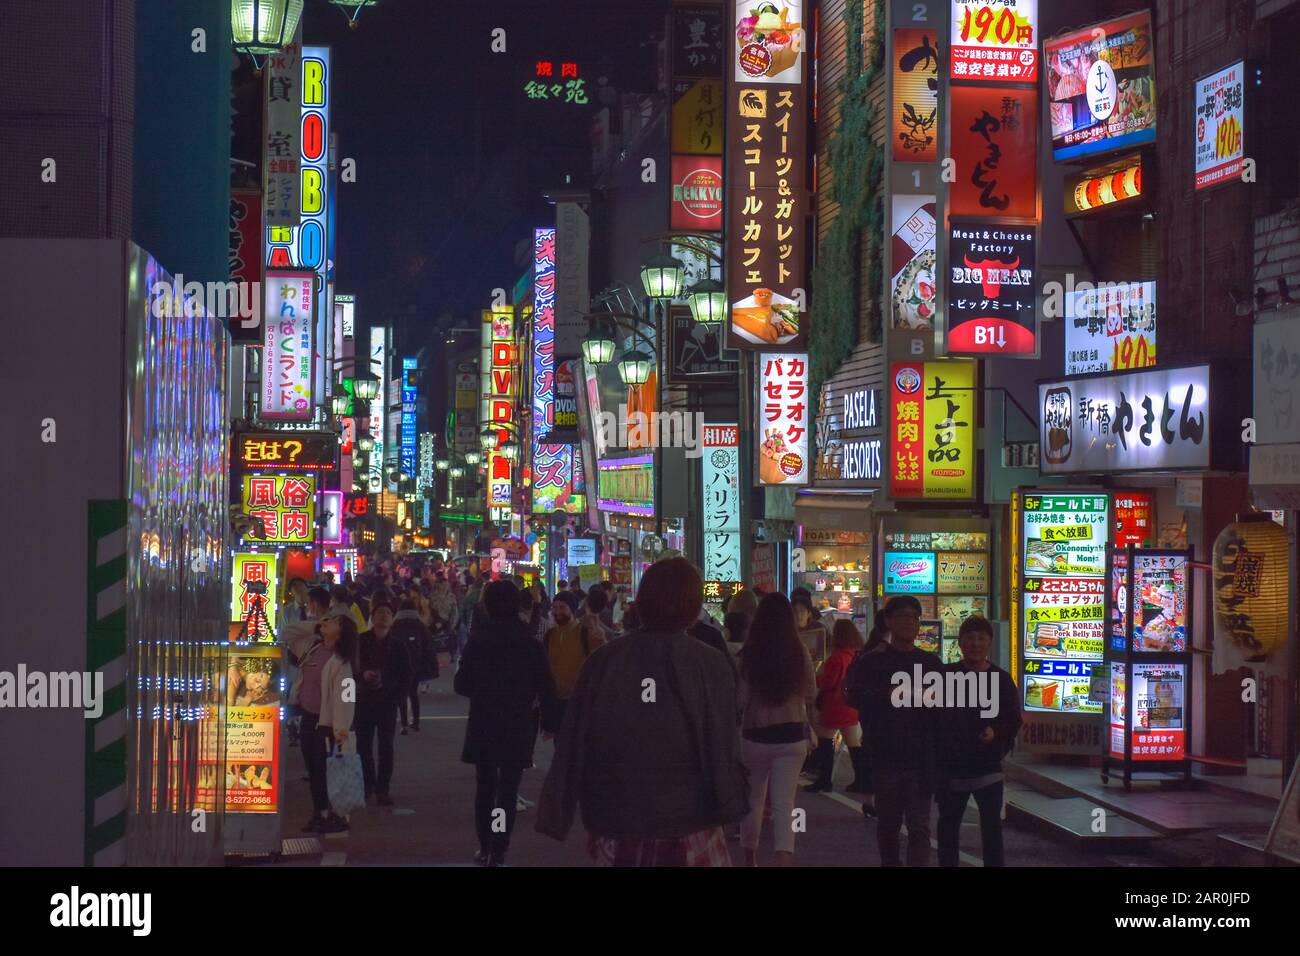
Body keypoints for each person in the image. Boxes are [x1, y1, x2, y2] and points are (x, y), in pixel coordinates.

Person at [537, 558, 749, 866]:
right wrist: (732, 800)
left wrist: (558, 811)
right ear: (693, 606)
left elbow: (573, 741)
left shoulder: (604, 661)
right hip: (693, 818)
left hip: (618, 816)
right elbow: (723, 739)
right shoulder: (710, 663)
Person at [454, 580, 558, 866]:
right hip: (517, 723)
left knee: (485, 787)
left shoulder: (479, 640)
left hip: (485, 721)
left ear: (487, 605)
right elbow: (546, 686)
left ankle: (485, 845)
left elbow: (462, 684)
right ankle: (499, 848)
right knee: (508, 790)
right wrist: (550, 721)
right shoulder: (529, 643)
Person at [845, 595, 942, 867]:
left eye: (914, 617)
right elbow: (854, 697)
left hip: (921, 758)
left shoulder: (931, 663)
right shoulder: (872, 661)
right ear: (888, 621)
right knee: (888, 826)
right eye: (902, 616)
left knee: (920, 827)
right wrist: (885, 695)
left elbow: (943, 709)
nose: (909, 621)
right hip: (885, 756)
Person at [737, 594, 817, 866]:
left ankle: (749, 857)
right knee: (785, 803)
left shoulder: (750, 654)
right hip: (793, 736)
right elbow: (810, 695)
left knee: (754, 799)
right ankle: (784, 858)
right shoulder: (800, 652)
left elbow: (740, 699)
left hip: (756, 736)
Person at [936, 616, 1021, 867]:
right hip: (952, 767)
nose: (975, 643)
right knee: (948, 828)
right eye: (970, 638)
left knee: (992, 830)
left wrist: (996, 733)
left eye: (981, 638)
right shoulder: (946, 675)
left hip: (988, 768)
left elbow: (1013, 719)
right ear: (960, 643)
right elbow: (933, 718)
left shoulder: (1002, 680)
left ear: (990, 643)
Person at [355, 598, 412, 805]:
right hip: (363, 701)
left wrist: (396, 696)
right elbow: (351, 670)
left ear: (392, 618)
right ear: (372, 617)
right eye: (380, 612)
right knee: (363, 746)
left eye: (388, 612)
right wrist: (363, 676)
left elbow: (406, 675)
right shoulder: (361, 641)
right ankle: (367, 785)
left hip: (387, 702)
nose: (384, 615)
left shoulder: (398, 646)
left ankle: (383, 788)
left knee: (386, 746)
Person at [805, 620, 865, 794]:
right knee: (853, 744)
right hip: (851, 705)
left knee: (825, 741)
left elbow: (826, 682)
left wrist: (816, 677)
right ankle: (862, 780)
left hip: (834, 704)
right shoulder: (856, 655)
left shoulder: (836, 657)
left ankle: (824, 780)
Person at [314, 612, 359, 832]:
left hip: (336, 728)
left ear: (340, 633)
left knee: (336, 772)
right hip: (332, 724)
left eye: (332, 622)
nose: (325, 623)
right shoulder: (337, 660)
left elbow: (346, 697)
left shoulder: (342, 664)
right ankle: (337, 815)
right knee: (333, 771)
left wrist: (341, 728)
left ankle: (340, 816)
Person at [541, 592, 604, 731]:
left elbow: (600, 662)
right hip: (556, 702)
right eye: (554, 607)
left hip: (578, 702)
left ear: (572, 609)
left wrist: (601, 641)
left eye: (562, 607)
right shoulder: (550, 635)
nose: (557, 612)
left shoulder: (585, 633)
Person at [391, 597, 438, 735]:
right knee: (413, 694)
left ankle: (404, 724)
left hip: (399, 665)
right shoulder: (419, 624)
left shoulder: (395, 624)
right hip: (416, 664)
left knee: (402, 695)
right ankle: (416, 722)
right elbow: (428, 645)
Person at [791, 591, 829, 664]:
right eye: (795, 611)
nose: (799, 615)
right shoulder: (788, 631)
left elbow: (828, 650)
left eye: (802, 611)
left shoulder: (819, 629)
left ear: (809, 613)